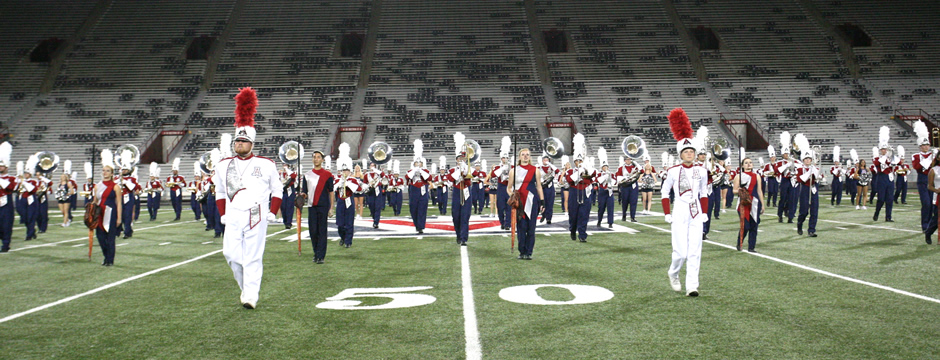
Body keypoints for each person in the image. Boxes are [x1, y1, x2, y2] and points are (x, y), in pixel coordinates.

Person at [213, 87, 283, 309]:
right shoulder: (224, 166)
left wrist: (273, 211)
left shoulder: (266, 164)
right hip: (233, 214)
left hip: (256, 213)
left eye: (243, 141)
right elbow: (221, 192)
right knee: (231, 255)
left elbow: (277, 190)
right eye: (237, 141)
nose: (239, 144)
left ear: (252, 143)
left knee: (253, 257)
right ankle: (246, 289)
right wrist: (222, 214)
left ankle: (251, 295)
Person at [662, 108, 709, 297]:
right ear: (681, 154)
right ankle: (673, 273)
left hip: (696, 211)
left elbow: (704, 192)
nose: (690, 154)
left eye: (692, 151)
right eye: (686, 151)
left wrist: (704, 211)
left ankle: (692, 285)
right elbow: (665, 193)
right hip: (680, 211)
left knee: (695, 251)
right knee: (680, 252)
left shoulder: (703, 171)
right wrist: (667, 213)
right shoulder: (673, 171)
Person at [508, 148, 545, 259]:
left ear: (530, 157)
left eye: (527, 155)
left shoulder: (535, 170)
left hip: (532, 201)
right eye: (523, 154)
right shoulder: (513, 171)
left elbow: (539, 187)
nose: (525, 156)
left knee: (531, 228)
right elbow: (509, 188)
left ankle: (529, 252)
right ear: (519, 157)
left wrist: (542, 202)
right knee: (521, 228)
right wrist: (512, 196)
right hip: (520, 202)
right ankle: (522, 251)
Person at [299, 150, 334, 263]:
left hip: (323, 206)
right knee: (313, 231)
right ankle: (316, 252)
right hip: (311, 206)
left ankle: (321, 256)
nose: (316, 159)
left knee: (322, 231)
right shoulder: (307, 175)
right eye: (314, 157)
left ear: (322, 160)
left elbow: (331, 192)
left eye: (318, 157)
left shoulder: (328, 175)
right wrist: (301, 197)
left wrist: (331, 207)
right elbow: (305, 191)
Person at [92, 150, 122, 266]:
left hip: (111, 213)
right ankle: (106, 256)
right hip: (100, 213)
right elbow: (95, 201)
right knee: (100, 238)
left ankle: (109, 260)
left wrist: (119, 218)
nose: (105, 173)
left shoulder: (116, 187)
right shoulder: (97, 186)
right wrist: (91, 212)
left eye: (107, 171)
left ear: (111, 173)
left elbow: (119, 203)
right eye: (103, 170)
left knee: (110, 239)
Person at [565, 133, 595, 242]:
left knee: (584, 214)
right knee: (573, 215)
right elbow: (569, 180)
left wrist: (587, 168)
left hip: (585, 192)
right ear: (574, 162)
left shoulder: (586, 169)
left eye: (580, 161)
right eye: (577, 161)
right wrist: (579, 172)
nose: (579, 163)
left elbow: (592, 177)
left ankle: (582, 235)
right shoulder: (570, 171)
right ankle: (572, 229)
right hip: (574, 193)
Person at [331, 145, 361, 249]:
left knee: (349, 222)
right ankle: (342, 237)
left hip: (349, 200)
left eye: (347, 170)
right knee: (340, 223)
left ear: (350, 171)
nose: (345, 172)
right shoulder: (337, 179)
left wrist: (345, 182)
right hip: (340, 201)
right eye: (343, 170)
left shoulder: (353, 180)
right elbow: (333, 188)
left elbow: (353, 188)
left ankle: (348, 241)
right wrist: (341, 181)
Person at [734, 156, 763, 252]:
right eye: (746, 162)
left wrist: (762, 204)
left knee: (754, 225)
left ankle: (751, 247)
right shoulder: (739, 176)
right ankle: (739, 243)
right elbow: (734, 190)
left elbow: (759, 191)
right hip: (743, 203)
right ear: (742, 165)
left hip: (754, 203)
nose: (748, 164)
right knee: (745, 225)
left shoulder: (757, 176)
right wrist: (740, 190)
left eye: (750, 162)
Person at [449, 133, 473, 246]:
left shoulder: (469, 168)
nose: (461, 159)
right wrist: (459, 170)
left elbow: (469, 180)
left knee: (465, 215)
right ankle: (458, 235)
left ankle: (464, 238)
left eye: (463, 158)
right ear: (456, 159)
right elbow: (450, 179)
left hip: (466, 191)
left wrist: (465, 171)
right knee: (456, 215)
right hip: (456, 192)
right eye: (459, 158)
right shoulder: (453, 170)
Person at [912, 120, 934, 233]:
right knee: (926, 203)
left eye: (927, 144)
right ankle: (925, 225)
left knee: (933, 204)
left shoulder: (934, 154)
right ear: (920, 146)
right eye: (924, 145)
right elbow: (917, 167)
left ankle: (931, 224)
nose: (926, 147)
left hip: (934, 181)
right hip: (922, 180)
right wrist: (930, 158)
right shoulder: (916, 155)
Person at [872, 127, 898, 222]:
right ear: (880, 150)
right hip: (881, 178)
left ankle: (888, 217)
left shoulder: (890, 157)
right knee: (881, 199)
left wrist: (893, 154)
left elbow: (897, 163)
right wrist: (886, 156)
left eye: (885, 149)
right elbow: (878, 163)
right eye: (883, 149)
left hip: (890, 178)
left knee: (890, 199)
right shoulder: (876, 158)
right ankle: (877, 212)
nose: (884, 150)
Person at [795, 146, 820, 237]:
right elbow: (801, 179)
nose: (808, 160)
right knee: (804, 211)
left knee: (814, 210)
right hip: (804, 189)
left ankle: (811, 230)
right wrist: (810, 171)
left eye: (809, 159)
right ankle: (800, 223)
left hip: (813, 188)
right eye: (806, 159)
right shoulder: (800, 169)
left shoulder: (814, 168)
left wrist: (816, 172)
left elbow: (817, 177)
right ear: (803, 160)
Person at [407, 139, 431, 234]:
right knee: (413, 208)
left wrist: (420, 170)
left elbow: (428, 177)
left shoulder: (425, 171)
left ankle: (421, 226)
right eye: (416, 163)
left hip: (423, 189)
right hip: (413, 190)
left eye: (419, 163)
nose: (418, 164)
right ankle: (417, 224)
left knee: (422, 208)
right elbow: (407, 177)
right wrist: (414, 169)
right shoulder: (410, 171)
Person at [0, 142, 17, 252]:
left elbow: (11, 188)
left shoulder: (11, 178)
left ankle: (6, 244)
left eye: (1, 165)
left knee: (6, 224)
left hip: (6, 203)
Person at [117, 159, 139, 239]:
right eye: (123, 169)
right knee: (120, 215)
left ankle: (127, 232)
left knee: (127, 216)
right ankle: (119, 230)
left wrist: (125, 182)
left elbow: (134, 187)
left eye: (125, 169)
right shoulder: (117, 178)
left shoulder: (132, 179)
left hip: (128, 197)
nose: (124, 171)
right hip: (120, 197)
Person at [493, 137, 512, 230]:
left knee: (509, 206)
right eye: (503, 158)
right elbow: (493, 174)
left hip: (509, 187)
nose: (505, 159)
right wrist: (502, 168)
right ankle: (502, 222)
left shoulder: (512, 166)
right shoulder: (497, 167)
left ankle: (508, 224)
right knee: (500, 206)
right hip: (501, 187)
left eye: (506, 157)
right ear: (501, 158)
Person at [614, 155, 640, 222]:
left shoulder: (635, 167)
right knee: (625, 201)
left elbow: (642, 171)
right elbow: (617, 175)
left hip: (633, 186)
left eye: (630, 159)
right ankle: (624, 215)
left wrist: (636, 163)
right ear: (624, 160)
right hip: (625, 186)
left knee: (633, 201)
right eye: (627, 159)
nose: (628, 161)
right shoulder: (621, 168)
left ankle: (633, 217)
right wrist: (623, 180)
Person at [775, 132, 794, 223]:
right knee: (783, 198)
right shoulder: (780, 162)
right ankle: (780, 215)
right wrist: (787, 165)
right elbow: (778, 171)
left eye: (787, 153)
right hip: (784, 181)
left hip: (792, 181)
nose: (786, 155)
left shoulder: (793, 161)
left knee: (791, 199)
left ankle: (789, 215)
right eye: (785, 153)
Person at [923, 155, 940, 244]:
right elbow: (929, 186)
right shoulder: (933, 170)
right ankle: (928, 233)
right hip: (938, 197)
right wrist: (937, 190)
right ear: (937, 158)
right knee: (937, 219)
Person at [595, 151, 615, 228]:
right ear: (601, 167)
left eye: (606, 166)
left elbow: (615, 181)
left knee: (610, 208)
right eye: (604, 166)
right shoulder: (599, 174)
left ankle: (610, 222)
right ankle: (599, 221)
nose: (605, 168)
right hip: (602, 192)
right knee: (601, 208)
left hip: (609, 192)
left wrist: (609, 177)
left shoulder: (611, 174)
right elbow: (598, 180)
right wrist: (605, 176)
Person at [364, 162, 386, 229]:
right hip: (371, 190)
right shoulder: (367, 175)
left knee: (377, 206)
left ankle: (376, 222)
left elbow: (383, 175)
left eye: (374, 165)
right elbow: (364, 183)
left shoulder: (378, 173)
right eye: (371, 165)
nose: (372, 167)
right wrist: (368, 185)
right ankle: (374, 218)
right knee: (371, 206)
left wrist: (376, 170)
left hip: (377, 190)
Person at [539, 155, 559, 224]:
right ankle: (543, 215)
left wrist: (550, 164)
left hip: (550, 186)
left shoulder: (551, 167)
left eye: (547, 160)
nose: (546, 161)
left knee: (550, 203)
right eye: (544, 160)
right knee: (542, 202)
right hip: (542, 187)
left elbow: (557, 171)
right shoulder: (539, 167)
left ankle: (549, 218)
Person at [280, 165, 297, 229]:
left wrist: (287, 169)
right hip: (283, 190)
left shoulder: (292, 172)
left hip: (290, 190)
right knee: (283, 207)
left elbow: (293, 176)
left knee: (289, 207)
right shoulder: (280, 173)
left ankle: (289, 223)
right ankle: (285, 221)